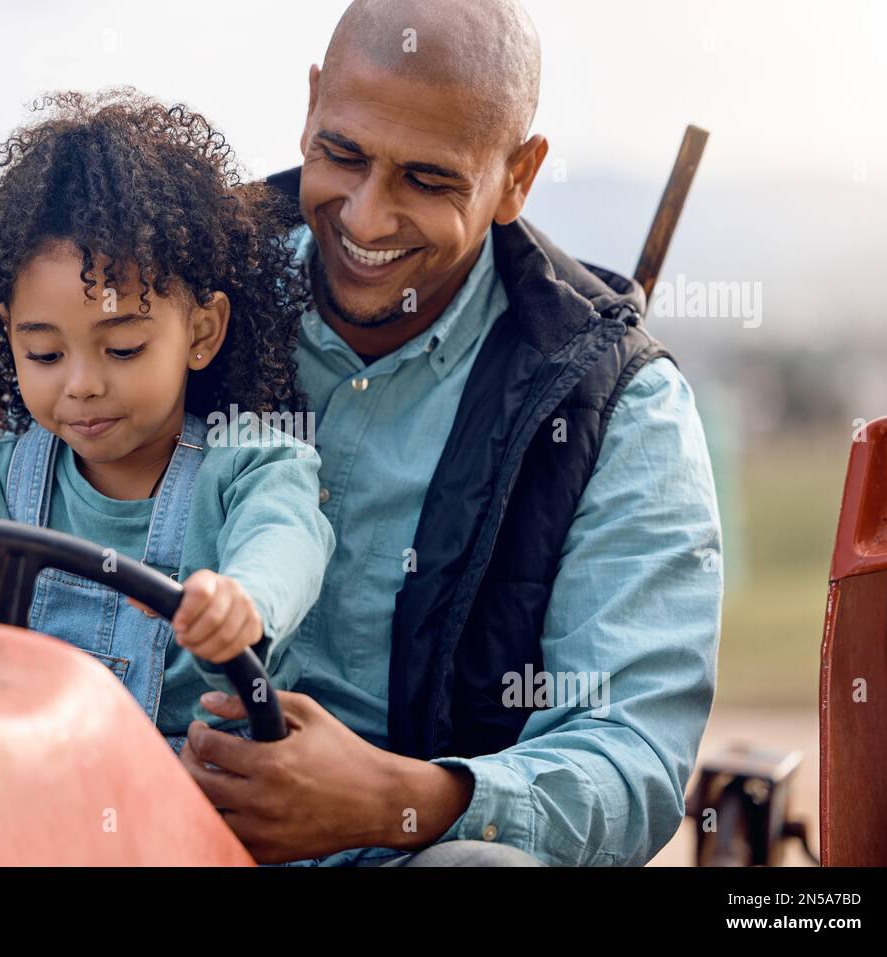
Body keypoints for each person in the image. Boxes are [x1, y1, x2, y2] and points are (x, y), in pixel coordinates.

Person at [176, 0, 723, 866]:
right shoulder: (170, 288)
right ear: (312, 103)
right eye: (342, 153)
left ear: (518, 176)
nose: (364, 216)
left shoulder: (621, 405)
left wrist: (397, 802)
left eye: (428, 179)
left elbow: (633, 756)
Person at [0, 90, 335, 748]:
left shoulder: (254, 467)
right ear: (8, 337)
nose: (82, 384)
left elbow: (285, 543)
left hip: (205, 815)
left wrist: (243, 605)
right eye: (44, 352)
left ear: (201, 331)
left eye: (123, 348)